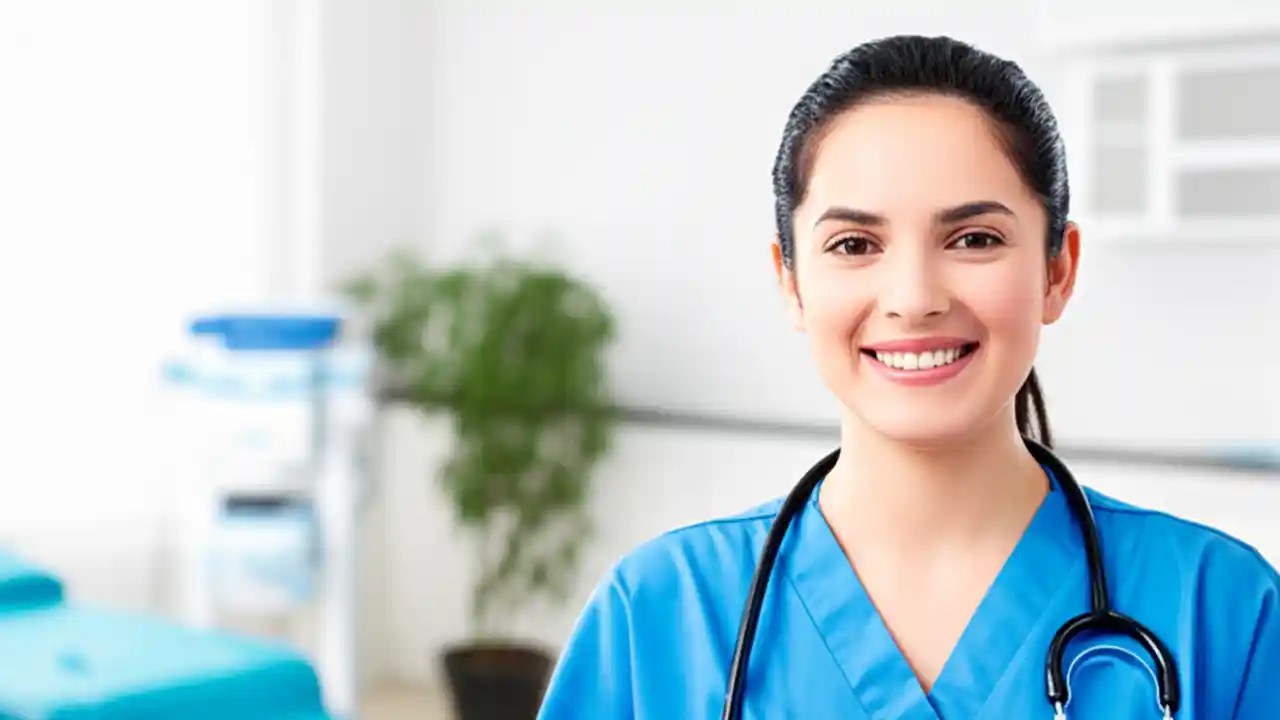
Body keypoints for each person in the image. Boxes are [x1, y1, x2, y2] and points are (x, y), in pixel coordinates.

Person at [536, 35, 1280, 719]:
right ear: (790, 282)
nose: (915, 297)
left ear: (1059, 269)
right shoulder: (661, 613)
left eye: (975, 238)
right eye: (855, 243)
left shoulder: (1222, 610)